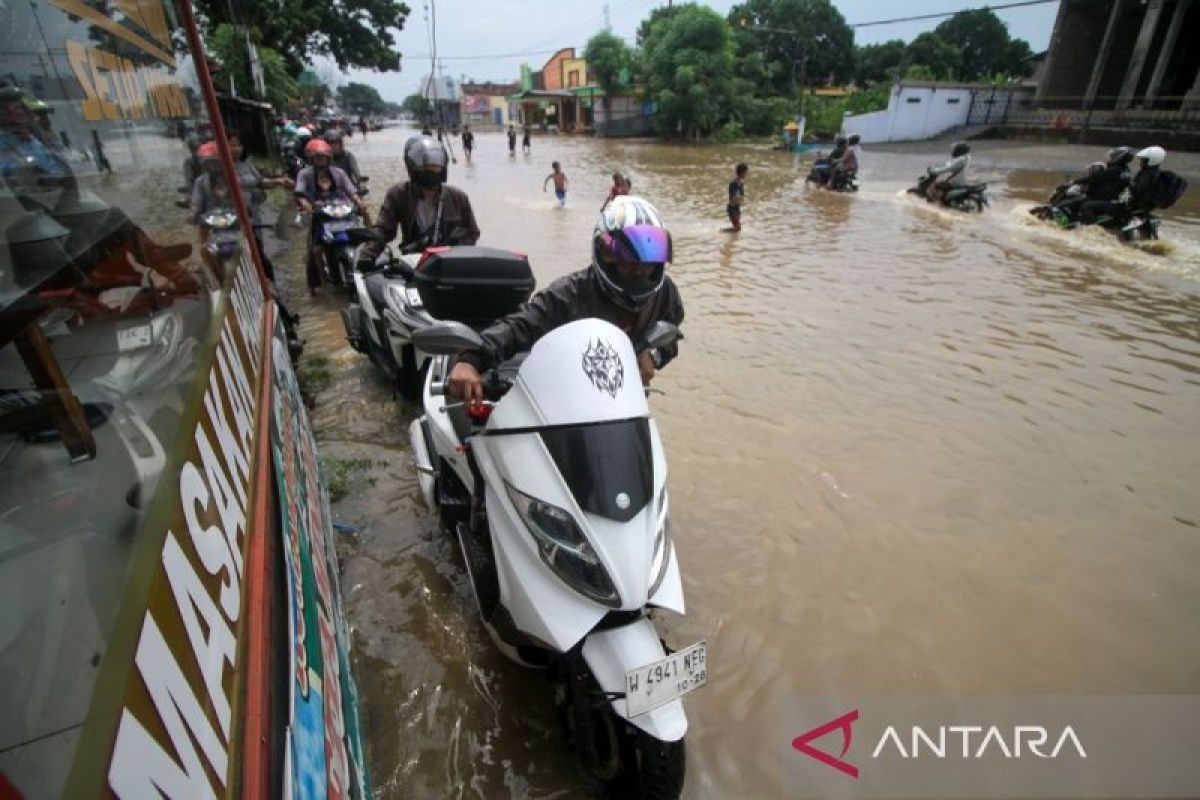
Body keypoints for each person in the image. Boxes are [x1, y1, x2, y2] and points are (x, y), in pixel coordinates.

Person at [446, 195, 685, 401]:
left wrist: (653, 356)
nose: (640, 270)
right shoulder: (568, 294)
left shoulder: (665, 293)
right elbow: (519, 326)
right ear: (604, 255)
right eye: (628, 259)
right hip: (568, 403)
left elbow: (671, 334)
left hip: (626, 403)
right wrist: (470, 360)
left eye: (649, 260)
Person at [356, 136, 480, 266]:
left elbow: (472, 232)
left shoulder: (458, 198)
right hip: (413, 262)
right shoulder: (398, 194)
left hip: (449, 263)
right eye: (424, 167)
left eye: (435, 166)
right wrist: (366, 256)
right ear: (412, 167)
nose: (431, 171)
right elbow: (384, 230)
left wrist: (456, 251)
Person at [294, 138, 367, 293]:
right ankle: (323, 283)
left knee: (362, 234)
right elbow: (300, 193)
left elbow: (351, 191)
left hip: (342, 213)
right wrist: (306, 203)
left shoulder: (338, 173)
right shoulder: (304, 174)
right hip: (321, 216)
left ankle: (373, 237)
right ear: (311, 158)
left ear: (328, 157)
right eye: (317, 157)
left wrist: (358, 201)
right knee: (316, 250)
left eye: (323, 157)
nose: (320, 160)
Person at [1081, 145, 1166, 223]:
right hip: (1133, 205)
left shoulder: (1146, 175)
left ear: (1151, 160)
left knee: (1087, 206)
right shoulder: (1152, 173)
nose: (1141, 162)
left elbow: (1135, 190)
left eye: (1143, 160)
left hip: (1124, 206)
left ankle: (1088, 228)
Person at [727, 162, 748, 231]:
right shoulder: (733, 183)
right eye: (745, 172)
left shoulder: (741, 184)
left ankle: (723, 232)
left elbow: (742, 196)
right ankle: (720, 232)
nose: (746, 174)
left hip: (737, 208)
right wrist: (740, 198)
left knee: (737, 228)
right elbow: (733, 198)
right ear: (742, 172)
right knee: (738, 228)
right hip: (732, 208)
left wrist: (740, 198)